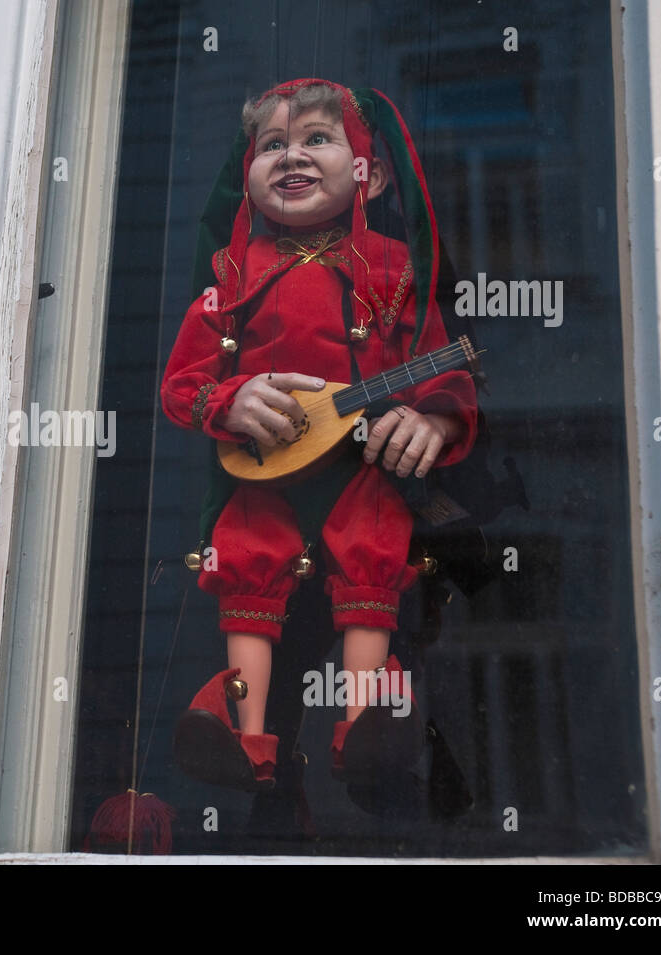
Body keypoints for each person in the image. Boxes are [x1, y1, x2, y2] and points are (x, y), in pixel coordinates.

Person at [161, 79, 478, 794]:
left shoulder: (394, 272)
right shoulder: (231, 277)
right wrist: (228, 401)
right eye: (271, 145)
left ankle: (367, 715)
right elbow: (183, 381)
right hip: (264, 469)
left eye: (316, 139)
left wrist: (433, 421)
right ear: (246, 176)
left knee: (373, 551)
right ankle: (245, 734)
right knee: (250, 558)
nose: (290, 156)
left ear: (373, 175)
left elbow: (445, 370)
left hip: (359, 466)